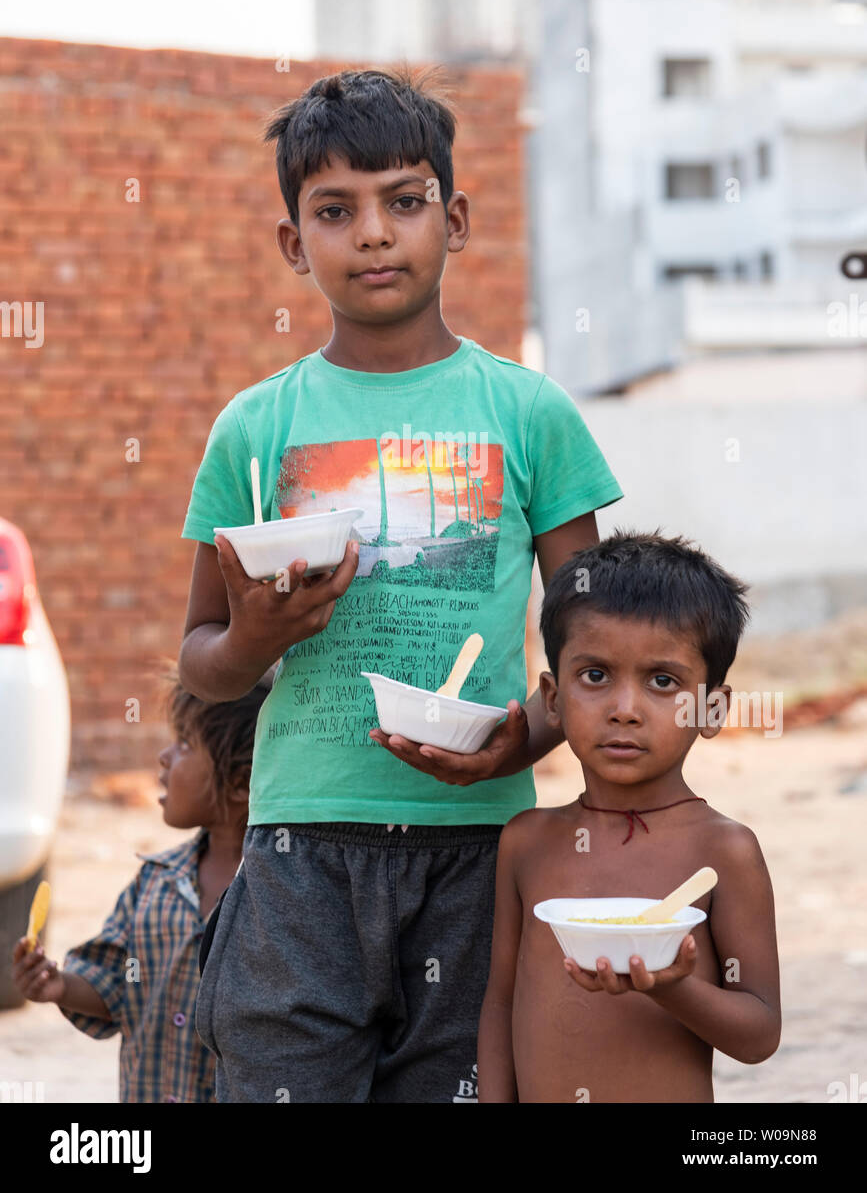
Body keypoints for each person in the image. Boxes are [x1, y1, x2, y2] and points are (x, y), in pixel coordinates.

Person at [177, 64, 624, 1103]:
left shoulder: (530, 414)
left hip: (479, 849)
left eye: (404, 200)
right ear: (296, 243)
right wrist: (252, 635)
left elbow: (596, 648)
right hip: (301, 854)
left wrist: (535, 733)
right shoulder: (253, 428)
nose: (373, 232)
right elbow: (203, 656)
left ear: (454, 219)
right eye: (335, 210)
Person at [478, 530, 782, 1103]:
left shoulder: (724, 851)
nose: (625, 710)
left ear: (711, 710)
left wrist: (671, 988)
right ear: (553, 699)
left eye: (662, 682)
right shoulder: (526, 841)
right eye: (595, 676)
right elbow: (499, 1003)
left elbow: (759, 1032)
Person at [11, 667, 271, 1103]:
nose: (164, 757)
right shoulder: (153, 882)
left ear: (242, 782)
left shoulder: (276, 895)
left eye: (185, 744)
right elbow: (114, 984)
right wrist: (59, 986)